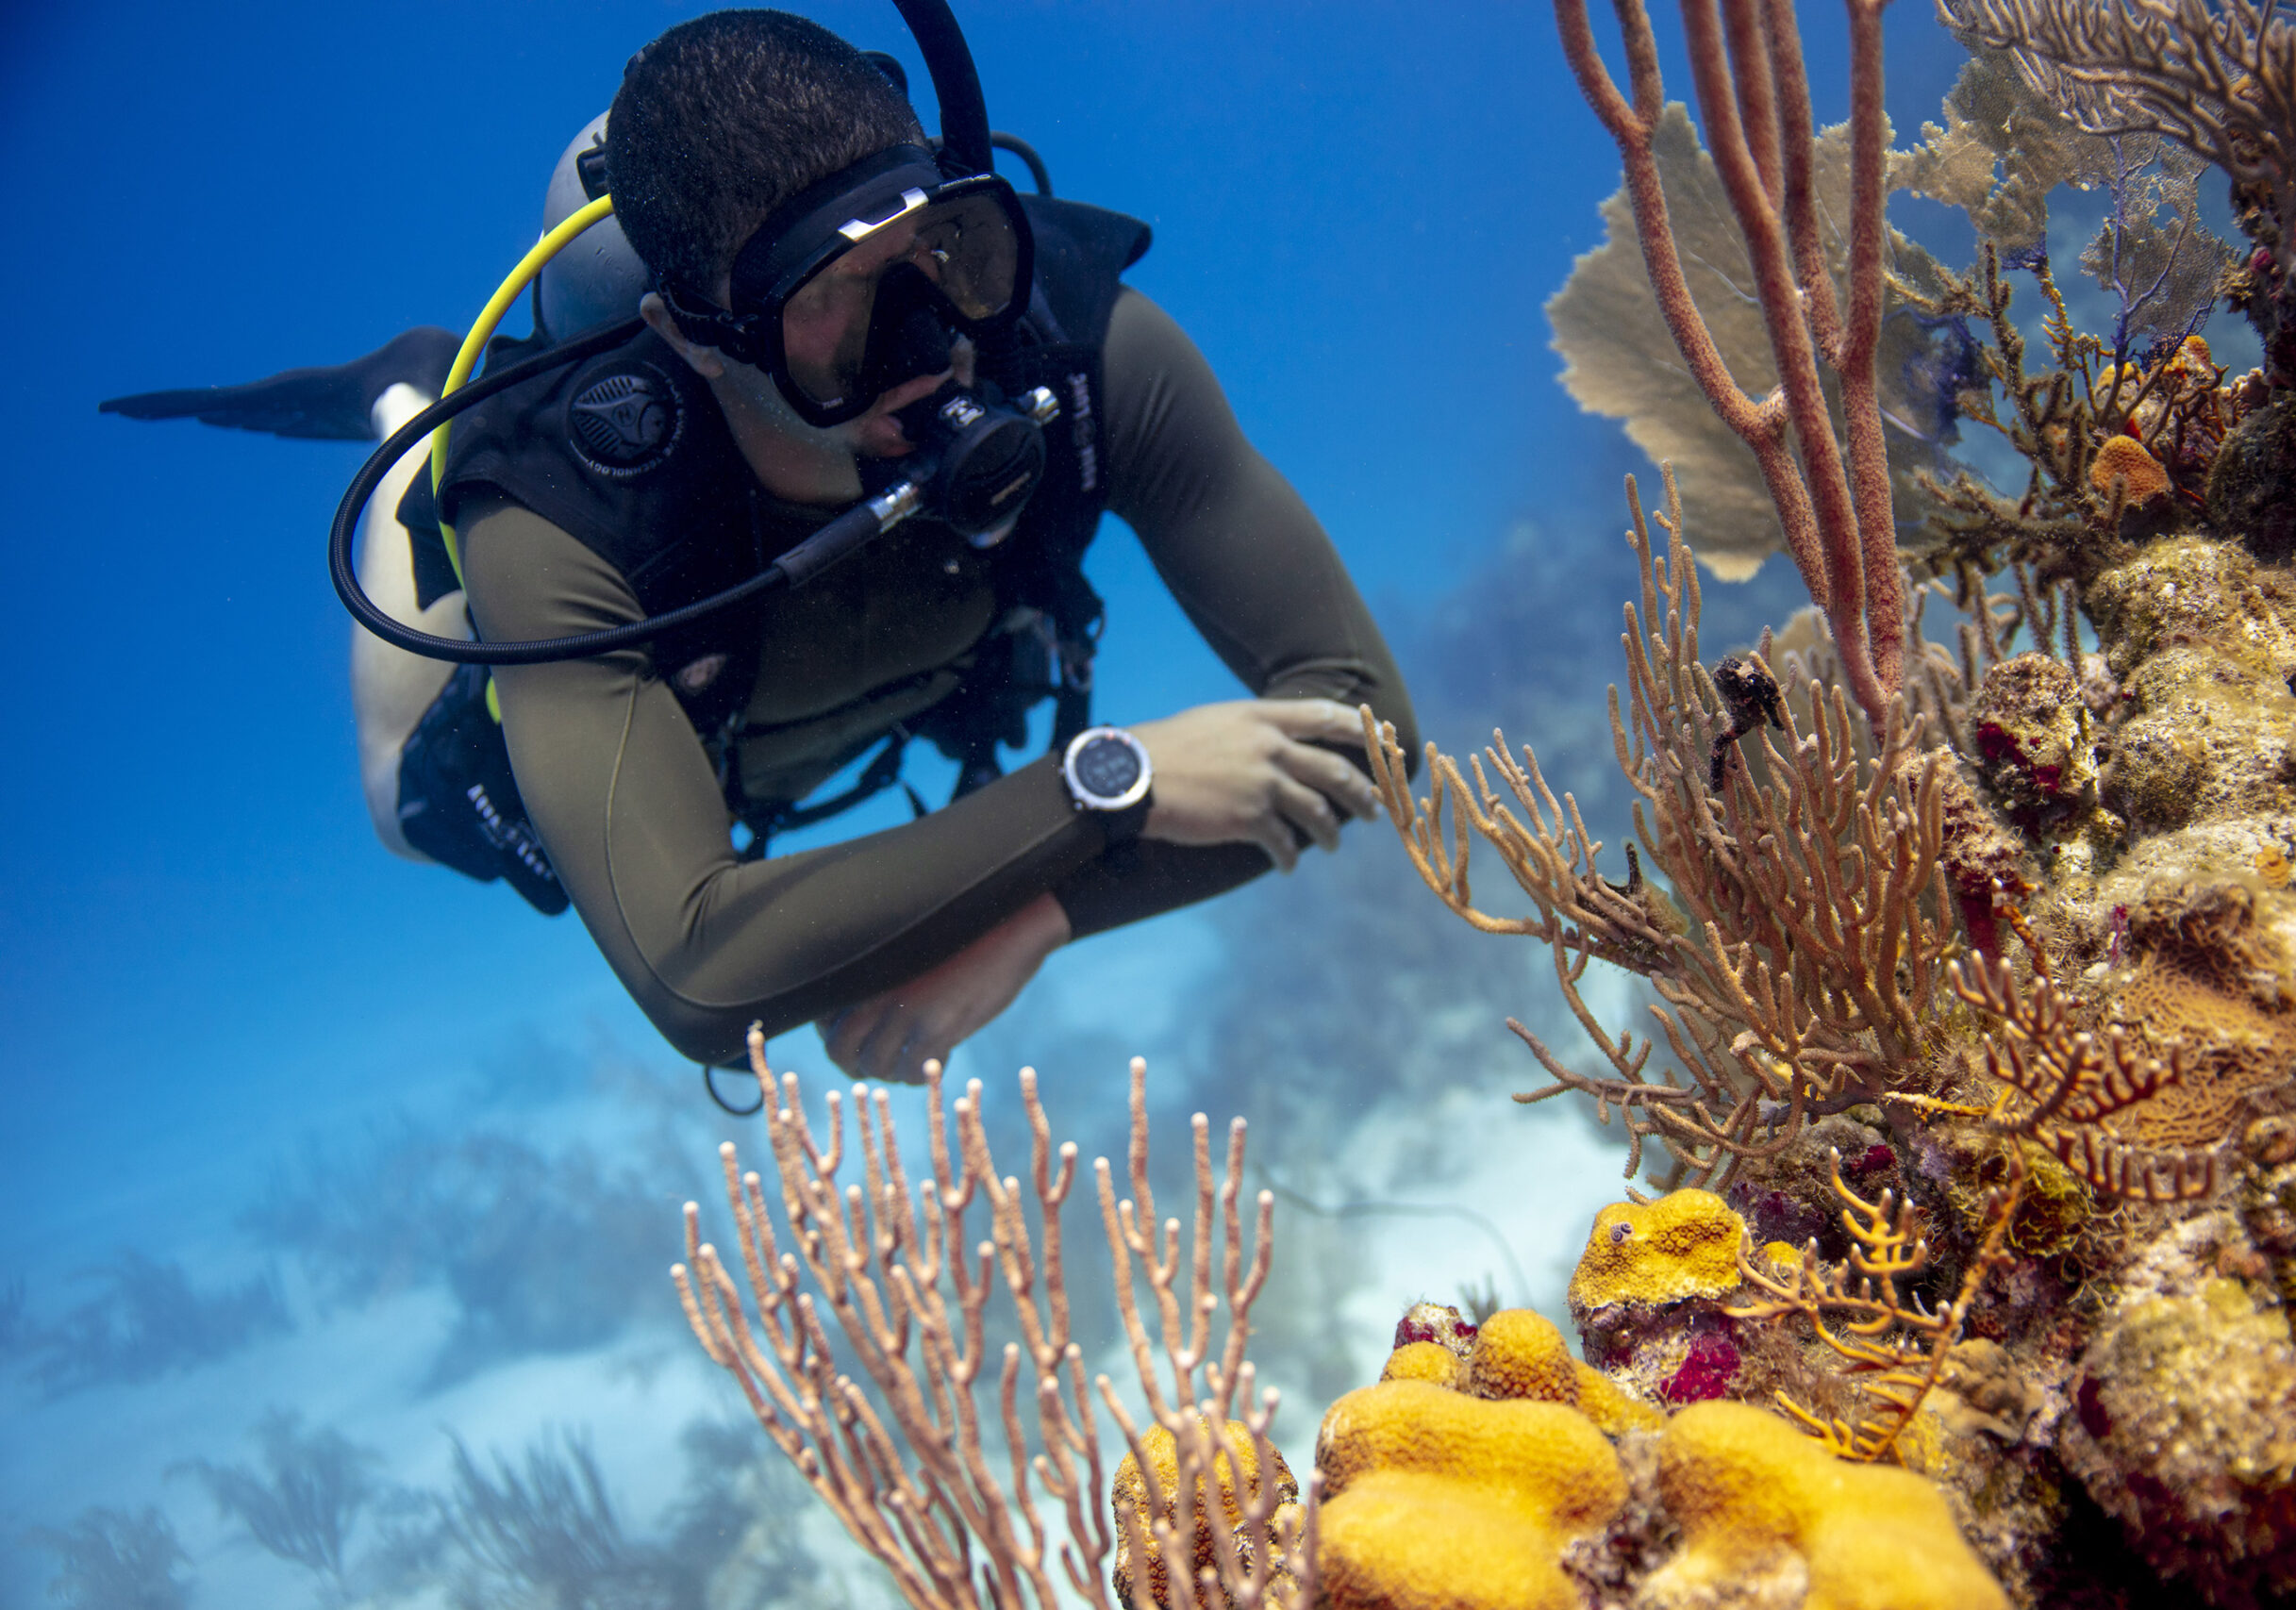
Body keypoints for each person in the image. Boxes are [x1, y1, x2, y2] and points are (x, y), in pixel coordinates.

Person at [110, 8, 1417, 1087]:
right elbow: (695, 975)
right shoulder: (567, 505)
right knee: (410, 807)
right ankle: (407, 406)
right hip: (637, 715)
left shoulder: (1072, 350)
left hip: (879, 716)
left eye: (945, 255)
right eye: (840, 301)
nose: (935, 344)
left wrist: (1036, 916)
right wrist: (1102, 787)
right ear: (698, 331)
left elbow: (1373, 732)